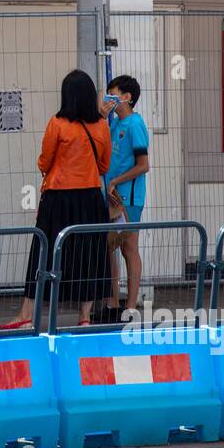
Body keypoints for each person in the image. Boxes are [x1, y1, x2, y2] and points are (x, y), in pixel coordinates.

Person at [0, 69, 112, 329]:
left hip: (58, 198)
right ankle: (85, 317)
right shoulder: (102, 126)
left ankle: (27, 314)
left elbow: (45, 160)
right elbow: (104, 165)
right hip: (91, 198)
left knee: (43, 253)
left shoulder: (57, 124)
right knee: (89, 254)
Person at [100, 75, 150, 323]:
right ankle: (112, 301)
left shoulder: (135, 125)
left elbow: (143, 165)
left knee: (129, 247)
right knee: (110, 246)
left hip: (128, 197)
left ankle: (130, 306)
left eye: (113, 93)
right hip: (110, 196)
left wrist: (116, 182)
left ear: (127, 97)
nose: (109, 97)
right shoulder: (114, 124)